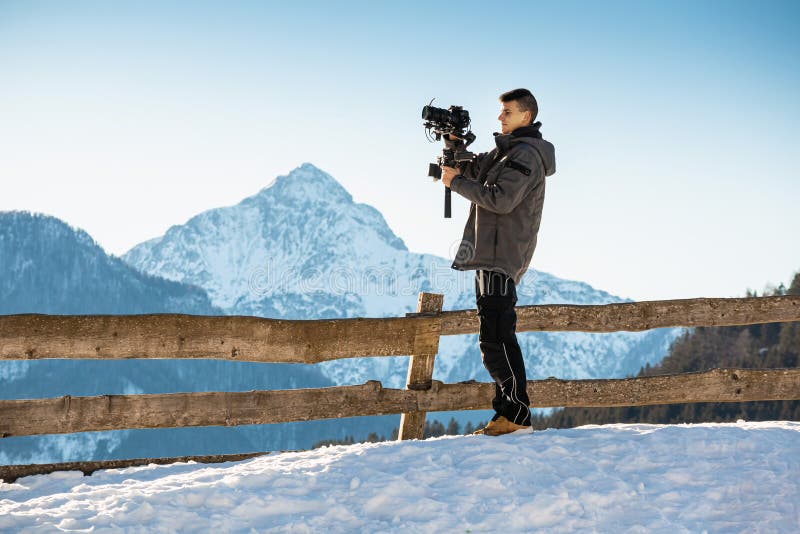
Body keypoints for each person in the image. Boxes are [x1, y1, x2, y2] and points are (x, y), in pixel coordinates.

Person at [441, 88, 556, 436]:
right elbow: (475, 168)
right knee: (494, 332)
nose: (500, 117)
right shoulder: (506, 154)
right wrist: (453, 146)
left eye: (507, 112)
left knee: (496, 336)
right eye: (501, 112)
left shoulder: (526, 155)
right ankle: (505, 414)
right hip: (489, 253)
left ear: (527, 116)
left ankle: (517, 416)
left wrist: (455, 182)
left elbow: (500, 199)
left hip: (502, 254)